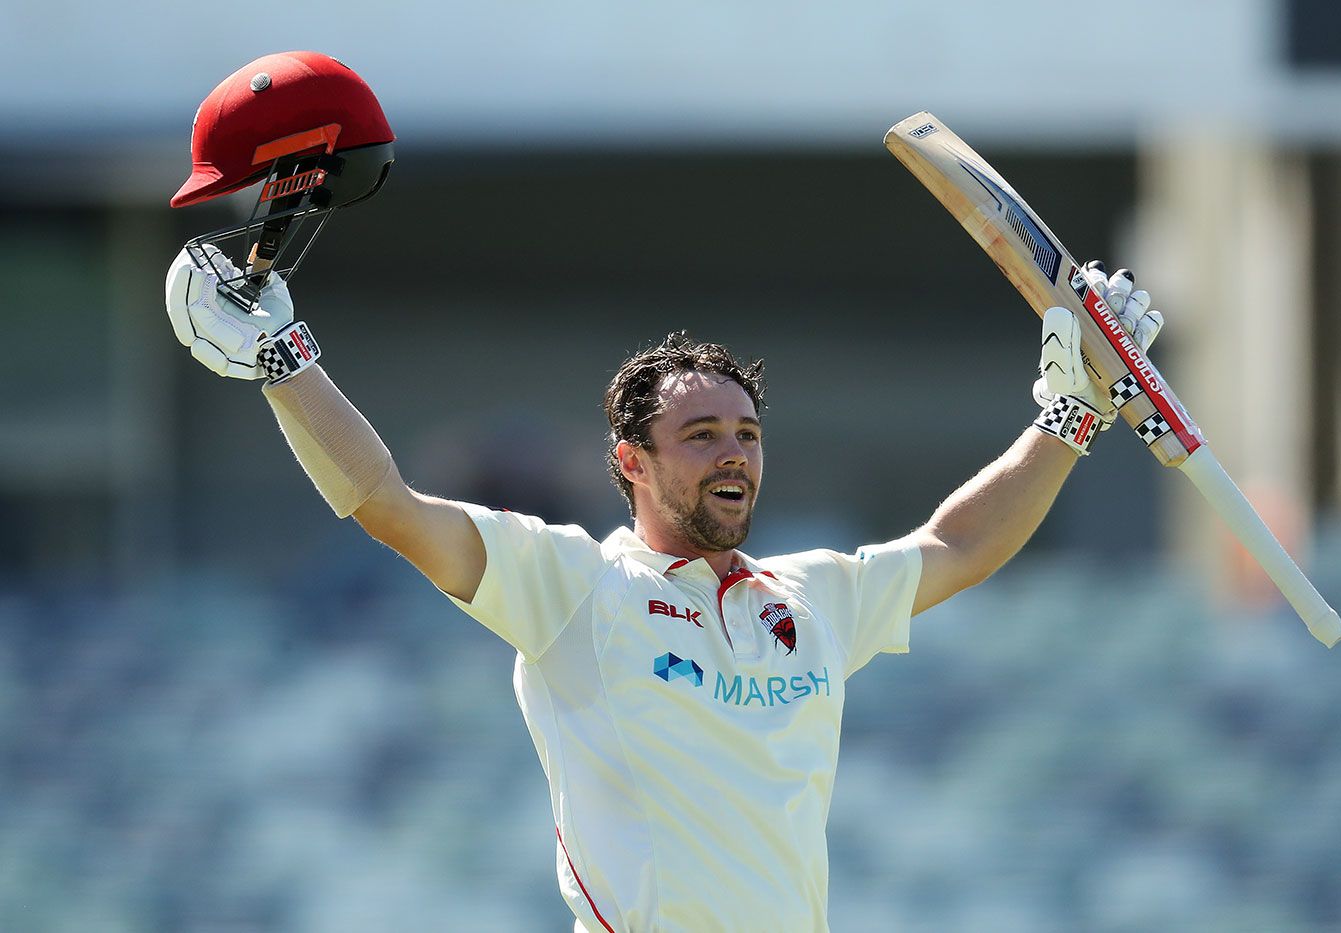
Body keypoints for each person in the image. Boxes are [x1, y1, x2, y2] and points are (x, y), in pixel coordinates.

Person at [166, 52, 1163, 933]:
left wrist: (1070, 411)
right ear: (630, 462)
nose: (732, 454)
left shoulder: (812, 598)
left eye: (746, 435)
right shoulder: (571, 589)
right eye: (700, 435)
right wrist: (284, 362)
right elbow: (387, 503)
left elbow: (960, 546)